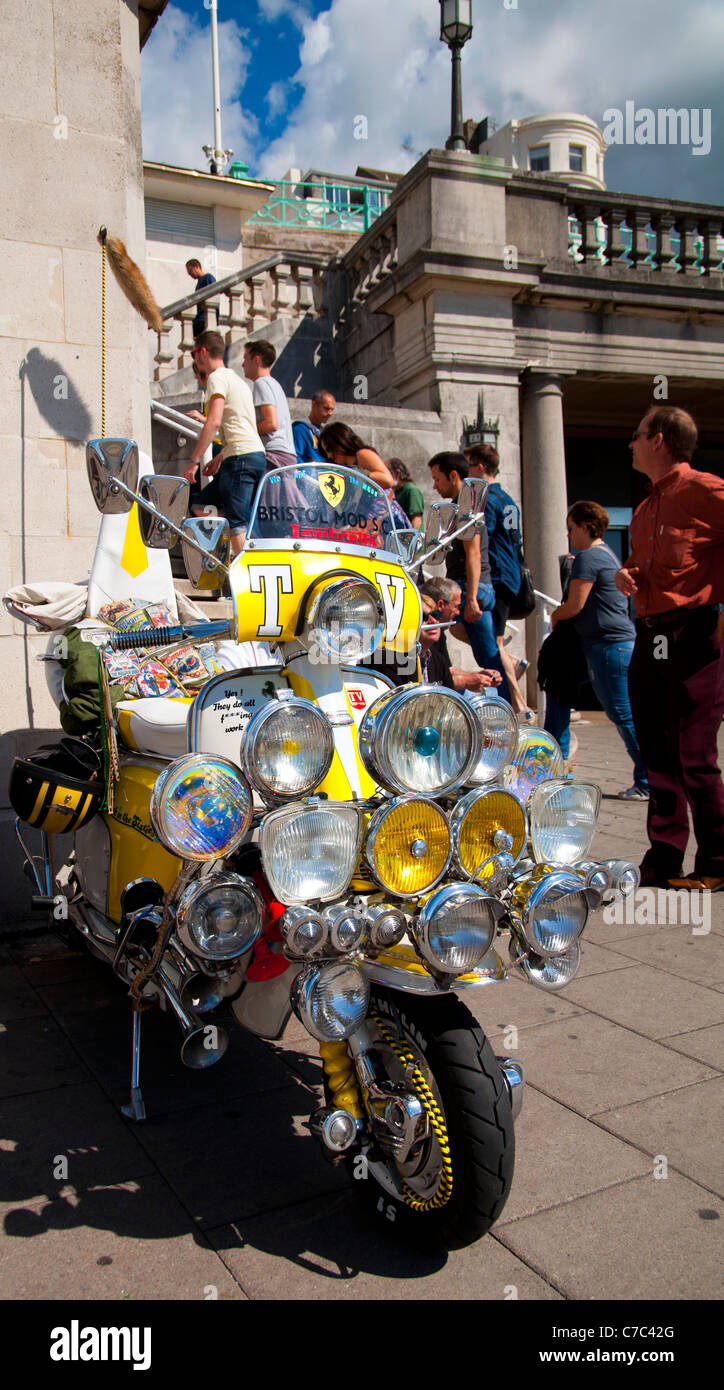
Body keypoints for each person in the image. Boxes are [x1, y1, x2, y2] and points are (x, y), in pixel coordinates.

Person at [615, 406, 724, 891]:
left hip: (696, 633)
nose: (631, 445)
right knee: (657, 750)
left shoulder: (706, 489)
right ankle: (664, 854)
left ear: (658, 440)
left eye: (636, 436)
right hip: (650, 634)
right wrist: (627, 575)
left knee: (694, 753)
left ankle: (718, 860)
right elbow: (642, 566)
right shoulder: (644, 509)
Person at [548, 501, 648, 798]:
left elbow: (575, 605)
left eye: (571, 529)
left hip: (607, 646)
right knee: (624, 713)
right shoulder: (606, 554)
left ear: (584, 526)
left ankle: (648, 780)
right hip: (613, 644)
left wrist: (555, 615)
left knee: (622, 714)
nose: (569, 536)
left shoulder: (589, 556)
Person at [427, 452, 510, 699]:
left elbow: (473, 554)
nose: (434, 485)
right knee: (489, 652)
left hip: (471, 589)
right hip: (473, 588)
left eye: (437, 478)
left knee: (490, 658)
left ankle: (506, 711)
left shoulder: (468, 508)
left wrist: (471, 598)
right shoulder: (463, 506)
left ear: (453, 475)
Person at [182, 330, 266, 555]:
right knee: (199, 505)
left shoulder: (216, 377)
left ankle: (247, 581)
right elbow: (242, 426)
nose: (194, 360)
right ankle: (235, 559)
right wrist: (219, 457)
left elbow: (214, 422)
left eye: (193, 354)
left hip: (240, 459)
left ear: (202, 352)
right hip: (254, 456)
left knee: (237, 521)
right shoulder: (237, 381)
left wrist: (193, 462)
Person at [465, 443, 533, 718]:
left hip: (499, 576)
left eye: (470, 466)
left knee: (497, 645)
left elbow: (482, 537)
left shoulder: (487, 500)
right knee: (486, 638)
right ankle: (514, 667)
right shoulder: (508, 499)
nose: (468, 471)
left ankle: (519, 706)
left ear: (481, 467)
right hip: (511, 575)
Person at [418, 578, 502, 694]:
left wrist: (478, 676)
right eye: (424, 617)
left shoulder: (436, 635)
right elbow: (426, 683)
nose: (458, 612)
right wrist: (467, 680)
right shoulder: (406, 649)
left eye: (436, 616)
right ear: (441, 605)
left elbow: (447, 671)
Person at [242, 340, 297, 469]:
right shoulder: (274, 384)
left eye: (245, 358)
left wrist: (246, 431)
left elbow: (271, 423)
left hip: (274, 456)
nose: (243, 364)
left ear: (256, 359)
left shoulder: (261, 383)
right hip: (283, 455)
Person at [317, 422, 395, 490]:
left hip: (378, 505)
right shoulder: (344, 466)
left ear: (339, 442)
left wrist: (356, 475)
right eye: (325, 452)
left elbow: (387, 480)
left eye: (329, 449)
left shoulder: (362, 454)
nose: (329, 456)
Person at [292, 390, 336, 462]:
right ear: (314, 404)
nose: (330, 413)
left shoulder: (325, 432)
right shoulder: (300, 428)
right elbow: (296, 458)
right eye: (326, 408)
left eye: (332, 410)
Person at [389, 459, 424, 530]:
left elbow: (416, 520)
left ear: (397, 474)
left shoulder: (411, 490)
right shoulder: (393, 492)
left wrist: (410, 539)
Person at [186, 258, 216, 339]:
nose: (189, 274)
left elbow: (215, 296)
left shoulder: (208, 278)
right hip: (198, 319)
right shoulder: (199, 283)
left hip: (204, 318)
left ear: (196, 267)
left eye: (190, 271)